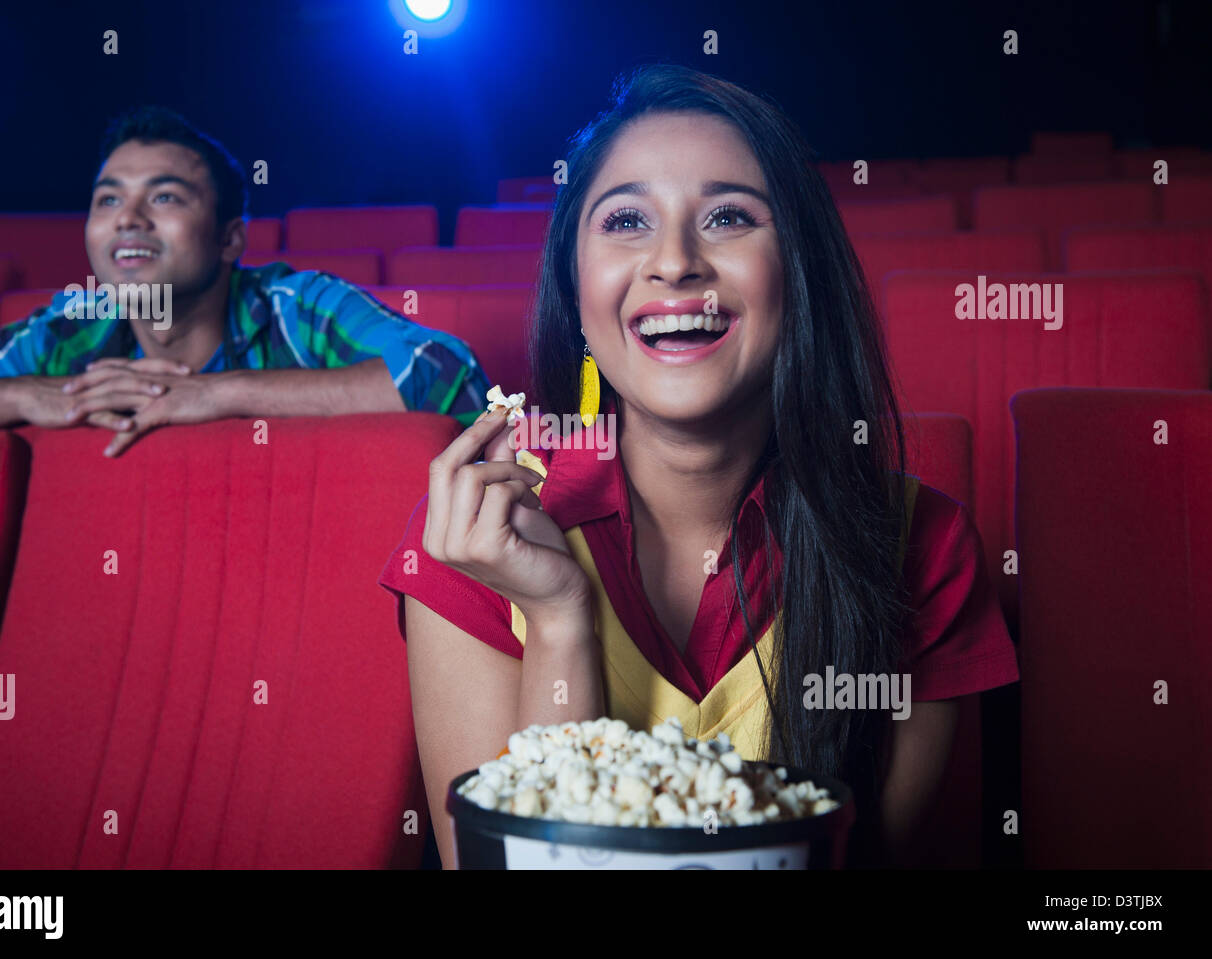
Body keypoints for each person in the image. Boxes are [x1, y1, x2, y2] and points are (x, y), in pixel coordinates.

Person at [379, 65, 1018, 869]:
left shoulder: (921, 544)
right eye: (625, 222)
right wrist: (559, 619)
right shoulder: (479, 528)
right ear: (576, 293)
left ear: (799, 274)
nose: (675, 262)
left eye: (726, 217)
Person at [0, 107, 490, 454]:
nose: (127, 219)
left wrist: (217, 394)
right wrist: (24, 394)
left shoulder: (297, 306)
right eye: (108, 199)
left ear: (229, 239)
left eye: (163, 196)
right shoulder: (68, 333)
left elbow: (448, 375)